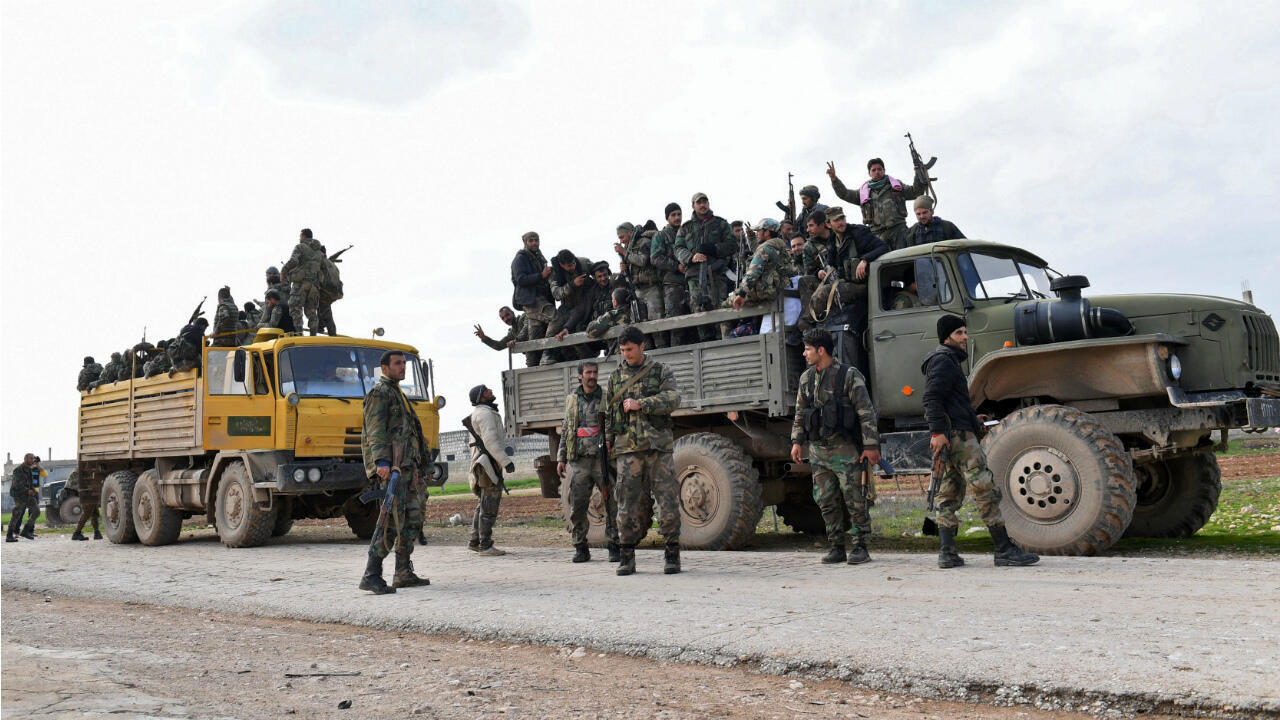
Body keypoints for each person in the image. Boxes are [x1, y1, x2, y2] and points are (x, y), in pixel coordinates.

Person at [923, 316, 1039, 568]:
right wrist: (937, 432)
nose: (965, 337)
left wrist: (972, 419)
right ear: (946, 337)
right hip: (957, 438)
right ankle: (1003, 549)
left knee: (949, 492)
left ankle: (947, 553)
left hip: (955, 434)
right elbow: (931, 398)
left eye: (965, 332)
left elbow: (951, 403)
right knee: (984, 487)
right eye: (959, 333)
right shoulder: (943, 361)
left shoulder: (948, 360)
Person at [789, 329, 881, 565]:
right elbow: (800, 413)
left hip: (845, 449)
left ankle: (860, 545)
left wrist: (870, 446)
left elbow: (866, 412)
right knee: (825, 499)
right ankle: (836, 546)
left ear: (821, 350)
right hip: (818, 450)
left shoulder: (849, 376)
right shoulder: (807, 378)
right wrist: (797, 442)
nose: (804, 353)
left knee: (855, 499)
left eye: (808, 349)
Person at [604, 326, 681, 576]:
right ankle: (626, 555)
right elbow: (609, 414)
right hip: (628, 450)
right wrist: (608, 440)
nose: (626, 354)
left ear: (642, 346)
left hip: (658, 447)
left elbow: (673, 399)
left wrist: (643, 404)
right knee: (626, 502)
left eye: (630, 349)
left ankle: (672, 553)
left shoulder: (660, 371)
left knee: (667, 500)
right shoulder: (615, 378)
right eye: (623, 350)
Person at [358, 350, 431, 594]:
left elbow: (409, 434)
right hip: (392, 470)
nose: (403, 367)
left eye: (404, 363)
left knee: (412, 519)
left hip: (407, 468)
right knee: (389, 522)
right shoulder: (380, 393)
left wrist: (418, 466)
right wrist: (382, 463)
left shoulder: (398, 393)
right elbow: (375, 430)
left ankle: (403, 572)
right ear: (385, 368)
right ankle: (371, 574)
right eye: (397, 363)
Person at [557, 360, 621, 563]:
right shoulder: (572, 400)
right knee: (577, 505)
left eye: (595, 372)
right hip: (579, 462)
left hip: (602, 460)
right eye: (588, 373)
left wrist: (610, 440)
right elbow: (567, 429)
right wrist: (561, 457)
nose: (592, 376)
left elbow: (614, 424)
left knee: (611, 503)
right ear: (580, 376)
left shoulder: (606, 398)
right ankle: (580, 547)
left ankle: (614, 545)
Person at [809, 206, 890, 326]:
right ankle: (815, 329)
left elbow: (883, 247)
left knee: (822, 294)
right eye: (836, 220)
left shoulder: (859, 233)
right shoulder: (832, 240)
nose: (841, 223)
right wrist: (822, 271)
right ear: (829, 224)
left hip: (865, 285)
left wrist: (865, 260)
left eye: (842, 218)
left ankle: (814, 329)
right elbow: (831, 264)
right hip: (846, 282)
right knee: (810, 284)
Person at [827, 159, 925, 251]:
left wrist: (919, 174)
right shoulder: (863, 192)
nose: (877, 172)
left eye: (879, 169)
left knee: (904, 260)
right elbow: (845, 194)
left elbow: (915, 192)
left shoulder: (896, 186)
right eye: (873, 170)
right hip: (876, 235)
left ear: (884, 170)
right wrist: (834, 179)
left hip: (898, 231)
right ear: (869, 173)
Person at [720, 218, 789, 338]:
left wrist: (741, 294)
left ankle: (726, 344)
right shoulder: (779, 245)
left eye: (759, 231)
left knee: (724, 306)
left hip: (761, 291)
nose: (757, 233)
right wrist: (752, 238)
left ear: (767, 233)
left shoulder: (764, 249)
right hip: (775, 289)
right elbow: (760, 251)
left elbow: (752, 274)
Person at [466, 384, 513, 556]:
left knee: (483, 504)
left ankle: (475, 541)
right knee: (489, 505)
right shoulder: (485, 414)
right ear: (481, 397)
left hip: (486, 463)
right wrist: (506, 461)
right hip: (487, 464)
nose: (490, 391)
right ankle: (485, 545)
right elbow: (491, 442)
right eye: (486, 391)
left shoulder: (484, 412)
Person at [675, 192, 735, 320]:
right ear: (693, 206)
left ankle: (722, 339)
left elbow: (732, 245)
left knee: (721, 312)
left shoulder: (721, 224)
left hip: (717, 275)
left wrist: (714, 249)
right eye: (699, 202)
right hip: (695, 277)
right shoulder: (686, 228)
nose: (702, 205)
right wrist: (691, 257)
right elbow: (678, 248)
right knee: (698, 312)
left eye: (705, 202)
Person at [510, 231, 556, 366]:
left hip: (540, 298)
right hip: (532, 300)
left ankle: (532, 365)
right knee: (556, 317)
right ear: (525, 243)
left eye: (536, 240)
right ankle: (547, 353)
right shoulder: (520, 258)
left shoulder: (538, 257)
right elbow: (520, 279)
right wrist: (541, 275)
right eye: (531, 240)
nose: (534, 243)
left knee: (535, 334)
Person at [648, 202, 688, 346]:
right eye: (673, 215)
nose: (677, 218)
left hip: (690, 282)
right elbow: (655, 258)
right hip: (672, 284)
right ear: (667, 217)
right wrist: (676, 266)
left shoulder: (687, 232)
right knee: (675, 323)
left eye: (679, 214)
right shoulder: (661, 235)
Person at [615, 222, 663, 336]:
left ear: (630, 233)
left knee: (655, 323)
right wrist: (624, 268)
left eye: (622, 237)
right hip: (638, 290)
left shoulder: (644, 241)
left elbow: (642, 261)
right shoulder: (629, 248)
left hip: (651, 288)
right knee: (640, 325)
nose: (621, 241)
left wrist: (624, 252)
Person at [282, 228, 324, 335]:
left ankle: (299, 335)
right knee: (311, 311)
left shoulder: (300, 247)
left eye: (300, 236)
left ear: (304, 236)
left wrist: (284, 271)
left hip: (300, 284)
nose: (299, 238)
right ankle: (313, 335)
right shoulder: (319, 253)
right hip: (314, 286)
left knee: (295, 309)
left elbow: (293, 261)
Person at [7, 454, 41, 541]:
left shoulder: (29, 470)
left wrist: (34, 490)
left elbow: (30, 483)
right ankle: (9, 535)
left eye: (33, 458)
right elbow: (16, 484)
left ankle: (25, 531)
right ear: (25, 459)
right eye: (31, 458)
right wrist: (27, 490)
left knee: (36, 511)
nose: (32, 460)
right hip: (19, 495)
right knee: (17, 514)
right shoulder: (18, 470)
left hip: (28, 495)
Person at [316, 244, 343, 336]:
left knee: (319, 308)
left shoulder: (320, 262)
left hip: (325, 292)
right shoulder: (332, 264)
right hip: (336, 293)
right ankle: (329, 331)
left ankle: (320, 327)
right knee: (326, 310)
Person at [67, 470, 102, 541]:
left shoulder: (88, 467)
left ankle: (96, 532)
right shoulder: (82, 468)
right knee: (87, 512)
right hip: (85, 490)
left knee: (95, 511)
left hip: (89, 490)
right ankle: (77, 533)